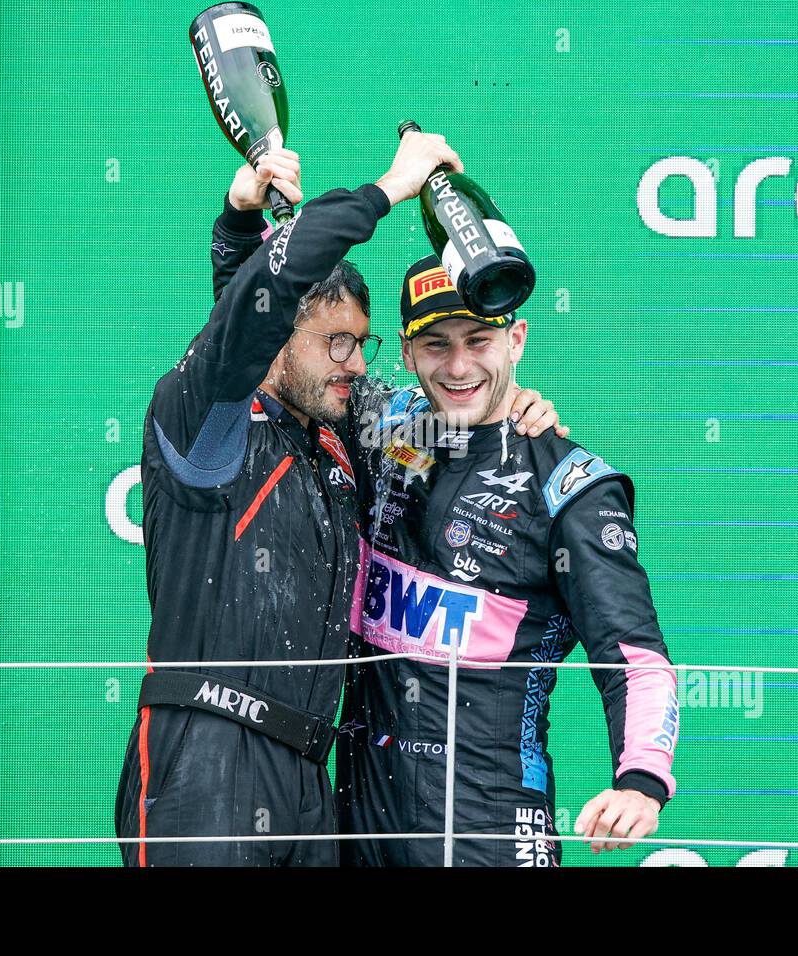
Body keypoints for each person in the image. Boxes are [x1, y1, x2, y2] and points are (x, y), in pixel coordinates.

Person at [115, 133, 561, 866]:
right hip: (205, 763)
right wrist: (390, 186)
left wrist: (512, 411)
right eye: (336, 344)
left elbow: (449, 414)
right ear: (278, 339)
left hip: (307, 779)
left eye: (363, 342)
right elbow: (253, 308)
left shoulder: (336, 432)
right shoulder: (203, 420)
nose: (355, 364)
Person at [334, 255, 681, 866]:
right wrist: (246, 226)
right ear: (408, 354)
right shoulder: (381, 429)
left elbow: (633, 652)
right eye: (436, 345)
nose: (460, 366)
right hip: (358, 831)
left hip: (489, 832)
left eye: (480, 340)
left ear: (516, 340)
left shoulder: (570, 486)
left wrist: (642, 781)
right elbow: (278, 343)